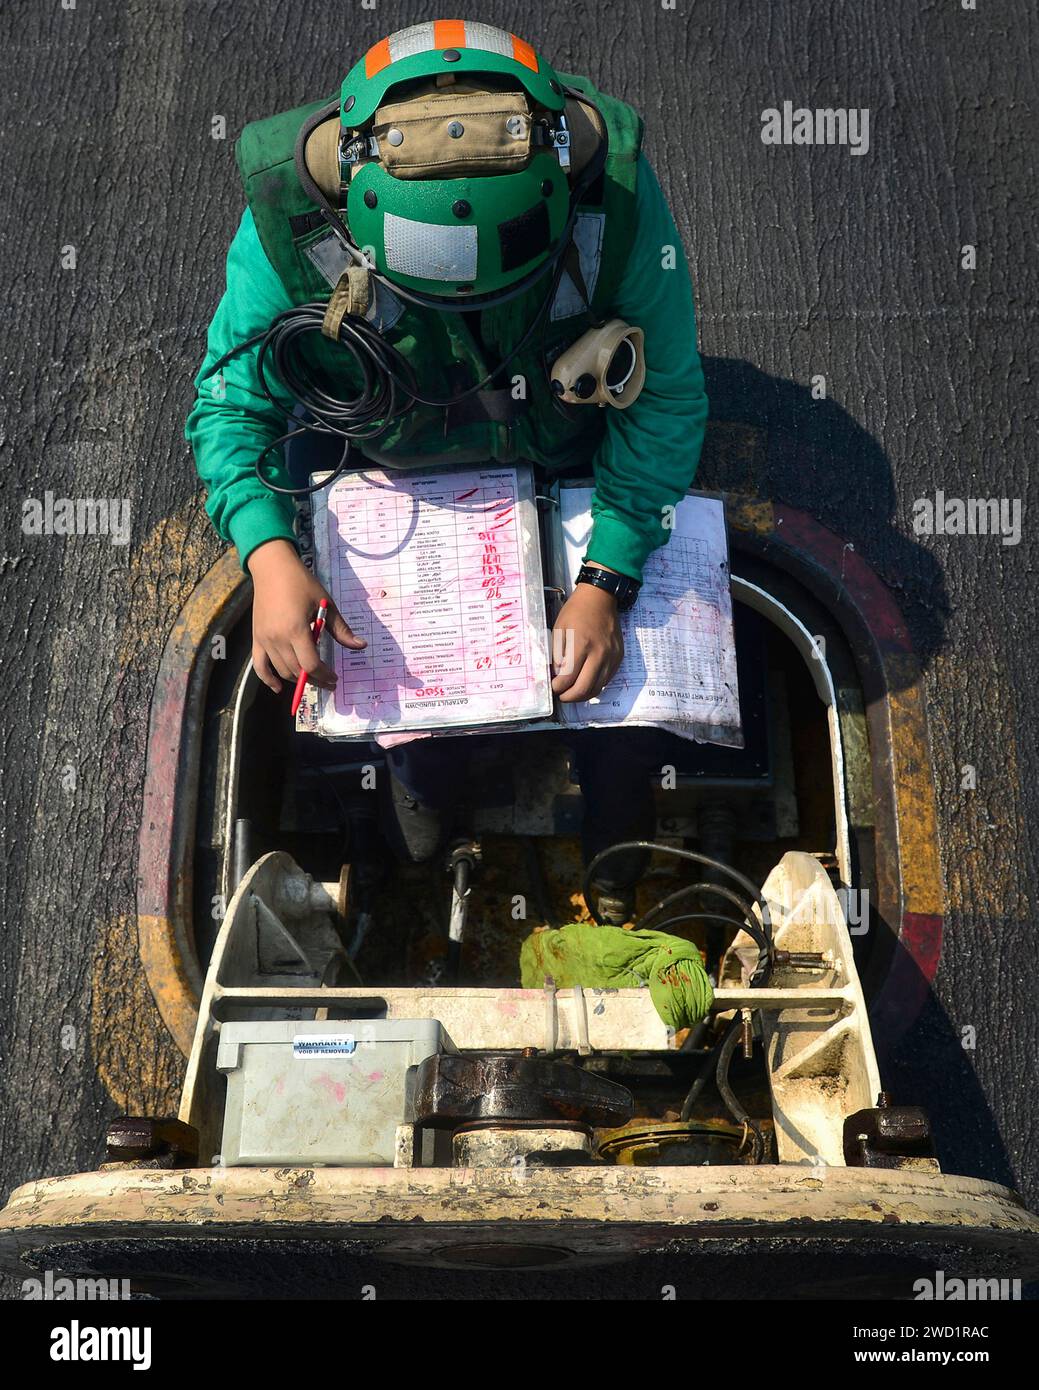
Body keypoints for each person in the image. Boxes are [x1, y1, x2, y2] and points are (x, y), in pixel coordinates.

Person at [185, 19, 709, 922]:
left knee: (627, 723)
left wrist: (607, 575)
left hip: (567, 456)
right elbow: (234, 406)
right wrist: (268, 556)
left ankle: (615, 867)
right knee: (407, 735)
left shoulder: (614, 195)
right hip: (395, 477)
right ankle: (416, 849)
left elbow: (664, 397)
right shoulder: (287, 222)